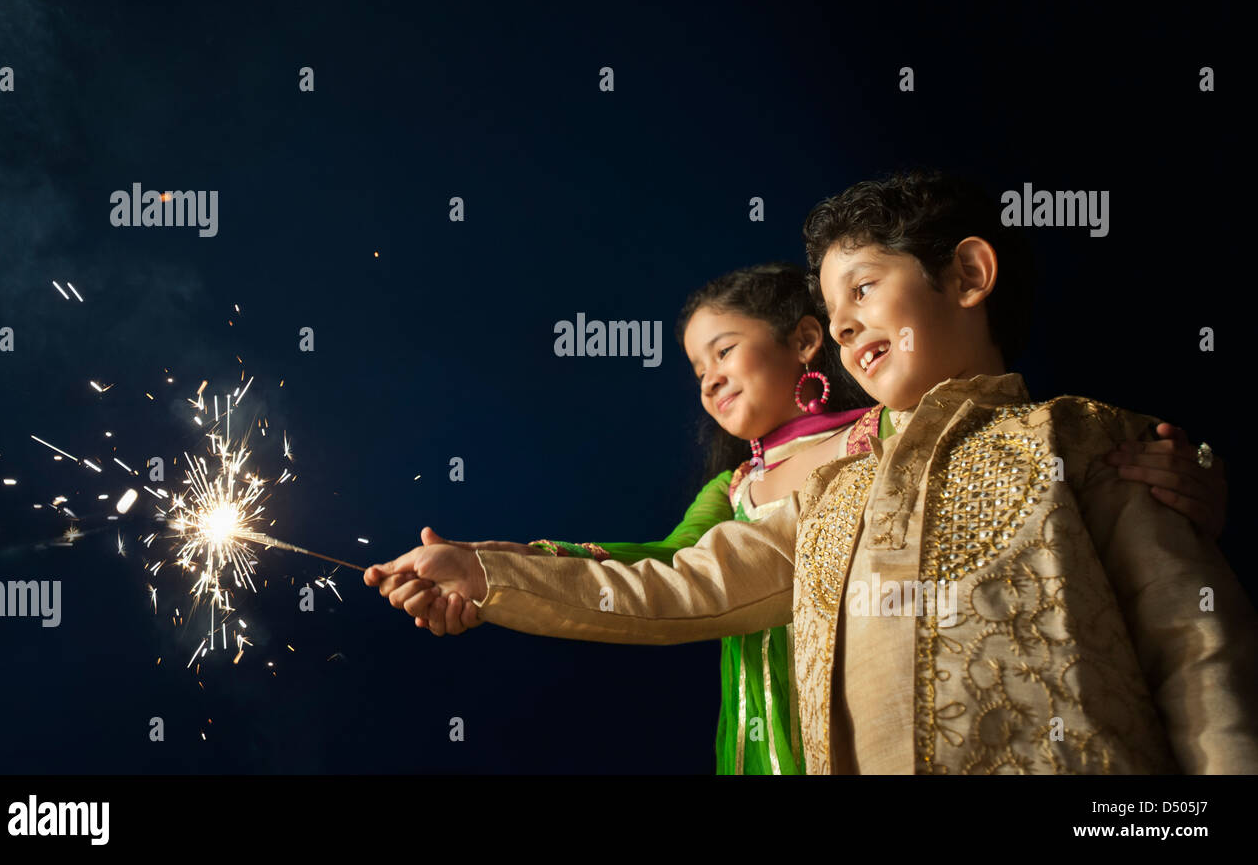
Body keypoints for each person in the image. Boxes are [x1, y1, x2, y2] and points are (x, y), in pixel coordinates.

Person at [370, 172, 1248, 773]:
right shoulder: (831, 498)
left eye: (863, 289)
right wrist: (487, 573)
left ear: (970, 275)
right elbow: (675, 584)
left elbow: (1199, 655)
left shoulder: (1089, 441)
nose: (845, 323)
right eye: (833, 308)